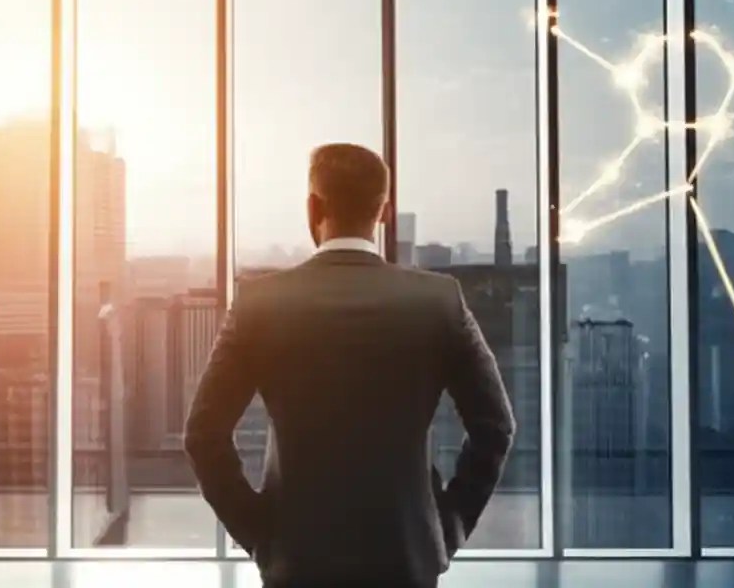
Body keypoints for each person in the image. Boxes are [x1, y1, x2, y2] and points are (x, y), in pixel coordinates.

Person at [185, 143, 515, 587]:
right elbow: (496, 426)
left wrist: (261, 534)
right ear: (383, 211)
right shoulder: (437, 300)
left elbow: (203, 435)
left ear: (312, 206)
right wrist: (447, 527)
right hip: (405, 558)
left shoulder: (259, 303)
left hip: (296, 562)